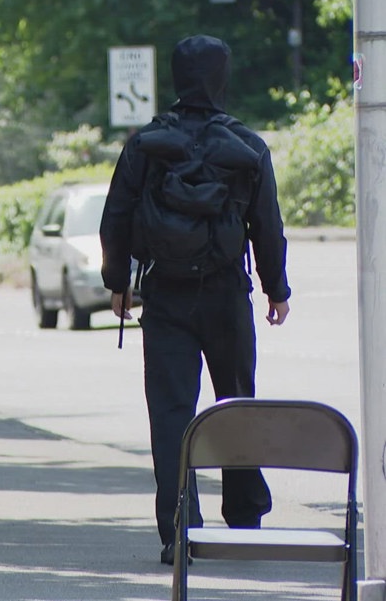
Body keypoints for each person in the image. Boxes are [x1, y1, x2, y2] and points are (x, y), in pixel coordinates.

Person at [98, 34, 291, 566]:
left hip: (164, 295)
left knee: (171, 414)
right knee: (236, 402)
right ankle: (245, 520)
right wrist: (276, 289)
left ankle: (180, 529)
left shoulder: (146, 144)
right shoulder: (247, 145)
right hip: (226, 294)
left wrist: (118, 282)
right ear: (222, 76)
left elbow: (116, 216)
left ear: (177, 77)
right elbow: (267, 225)